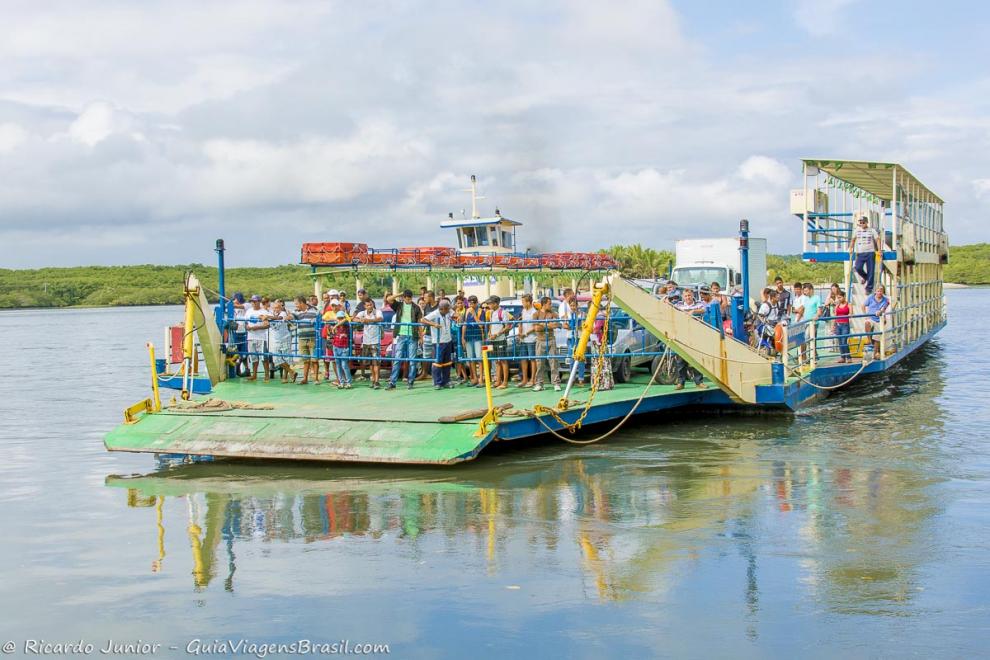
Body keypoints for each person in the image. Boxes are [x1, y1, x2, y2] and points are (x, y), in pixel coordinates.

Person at [387, 290, 423, 390]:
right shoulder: (398, 305)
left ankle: (410, 381)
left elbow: (419, 322)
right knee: (397, 359)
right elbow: (389, 299)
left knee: (412, 360)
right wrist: (399, 294)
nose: (408, 299)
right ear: (403, 297)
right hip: (401, 334)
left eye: (410, 298)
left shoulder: (416, 307)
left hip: (413, 335)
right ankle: (392, 382)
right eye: (406, 297)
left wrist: (421, 336)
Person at [673, 291, 707, 390]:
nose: (688, 297)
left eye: (689, 296)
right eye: (686, 296)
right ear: (683, 297)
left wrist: (693, 311)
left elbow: (704, 309)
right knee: (680, 360)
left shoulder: (699, 304)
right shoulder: (678, 305)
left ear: (692, 296)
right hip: (682, 334)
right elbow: (672, 310)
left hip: (696, 334)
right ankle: (681, 383)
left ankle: (699, 382)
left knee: (696, 359)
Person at [423, 299, 455, 389]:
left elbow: (455, 314)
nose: (449, 310)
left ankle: (446, 381)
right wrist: (433, 324)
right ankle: (437, 382)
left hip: (448, 340)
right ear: (443, 309)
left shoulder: (449, 311)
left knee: (447, 362)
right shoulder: (435, 313)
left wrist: (457, 316)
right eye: (447, 308)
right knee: (438, 362)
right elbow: (423, 320)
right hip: (438, 342)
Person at [533, 296, 561, 391]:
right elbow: (536, 328)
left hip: (551, 340)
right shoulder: (536, 314)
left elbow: (557, 324)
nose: (551, 305)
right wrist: (549, 325)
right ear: (544, 304)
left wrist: (542, 325)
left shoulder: (553, 313)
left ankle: (556, 383)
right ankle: (539, 384)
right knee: (540, 363)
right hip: (540, 340)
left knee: (554, 363)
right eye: (549, 303)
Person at [485, 296, 513, 388]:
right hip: (493, 340)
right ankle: (498, 381)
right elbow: (491, 325)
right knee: (497, 361)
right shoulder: (492, 313)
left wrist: (496, 334)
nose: (488, 305)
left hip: (501, 340)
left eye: (490, 303)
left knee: (503, 361)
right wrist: (490, 333)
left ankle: (505, 382)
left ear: (496, 303)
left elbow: (507, 326)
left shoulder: (503, 312)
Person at [355, 299, 383, 389]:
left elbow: (380, 318)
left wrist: (368, 320)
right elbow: (353, 318)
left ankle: (377, 381)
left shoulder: (377, 312)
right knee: (370, 362)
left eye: (371, 305)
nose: (370, 306)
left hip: (375, 340)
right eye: (368, 305)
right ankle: (373, 380)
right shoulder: (362, 313)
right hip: (366, 341)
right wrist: (360, 320)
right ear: (365, 306)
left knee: (376, 362)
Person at [292, 295, 320, 384]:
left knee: (314, 359)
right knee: (305, 359)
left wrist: (315, 320)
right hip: (302, 338)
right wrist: (287, 317)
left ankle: (316, 378)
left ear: (301, 303)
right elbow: (291, 317)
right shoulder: (296, 312)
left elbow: (320, 318)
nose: (295, 305)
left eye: (296, 304)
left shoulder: (314, 310)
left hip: (313, 337)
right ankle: (305, 378)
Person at [243, 295, 271, 381]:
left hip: (261, 337)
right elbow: (245, 322)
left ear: (259, 302)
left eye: (255, 301)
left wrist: (256, 328)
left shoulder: (263, 312)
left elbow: (267, 325)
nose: (253, 303)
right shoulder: (248, 311)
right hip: (251, 337)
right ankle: (254, 374)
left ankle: (267, 374)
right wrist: (247, 327)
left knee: (263, 357)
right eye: (252, 301)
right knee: (253, 357)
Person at [852, 212, 881, 294]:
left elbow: (877, 239)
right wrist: (851, 248)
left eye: (863, 222)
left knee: (871, 270)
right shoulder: (856, 231)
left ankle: (869, 288)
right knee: (858, 267)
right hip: (860, 252)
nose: (862, 224)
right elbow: (853, 239)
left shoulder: (872, 230)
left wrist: (879, 250)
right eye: (860, 222)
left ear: (866, 222)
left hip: (870, 252)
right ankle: (865, 277)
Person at [461, 295, 485, 386]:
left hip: (478, 337)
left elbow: (481, 325)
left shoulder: (480, 311)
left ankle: (481, 379)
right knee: (471, 359)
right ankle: (474, 378)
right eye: (470, 302)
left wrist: (474, 315)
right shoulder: (466, 311)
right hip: (468, 337)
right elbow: (464, 324)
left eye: (473, 302)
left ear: (476, 302)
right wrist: (463, 337)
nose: (471, 304)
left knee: (479, 358)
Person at [517, 294, 538, 388]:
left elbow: (535, 326)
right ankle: (524, 379)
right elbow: (521, 323)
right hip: (523, 340)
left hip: (532, 339)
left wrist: (526, 334)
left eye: (523, 302)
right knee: (523, 359)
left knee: (533, 360)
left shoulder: (534, 312)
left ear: (529, 302)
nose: (522, 304)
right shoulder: (523, 311)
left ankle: (533, 379)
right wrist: (520, 332)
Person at [864, 285, 890, 355]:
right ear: (875, 291)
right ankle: (869, 340)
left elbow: (883, 308)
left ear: (883, 292)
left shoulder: (885, 300)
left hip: (879, 319)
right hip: (871, 318)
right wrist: (866, 315)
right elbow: (863, 305)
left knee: (877, 336)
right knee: (867, 323)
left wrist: (880, 312)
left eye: (881, 291)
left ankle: (875, 353)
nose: (879, 292)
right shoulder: (870, 297)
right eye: (878, 291)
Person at [565, 298, 585, 385]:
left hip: (580, 338)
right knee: (571, 358)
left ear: (577, 305)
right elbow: (564, 325)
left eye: (574, 305)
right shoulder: (568, 315)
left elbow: (584, 326)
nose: (573, 307)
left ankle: (581, 378)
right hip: (570, 338)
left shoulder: (582, 314)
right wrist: (570, 327)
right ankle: (572, 379)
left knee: (580, 359)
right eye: (571, 305)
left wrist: (577, 327)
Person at [330, 310, 352, 388]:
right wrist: (334, 326)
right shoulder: (336, 324)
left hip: (344, 348)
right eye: (338, 318)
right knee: (338, 365)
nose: (339, 319)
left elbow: (346, 319)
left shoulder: (346, 324)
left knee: (344, 365)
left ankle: (348, 382)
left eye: (340, 318)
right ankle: (341, 382)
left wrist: (336, 326)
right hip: (336, 346)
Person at [419, 291, 438, 380]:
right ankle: (424, 373)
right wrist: (422, 334)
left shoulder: (439, 306)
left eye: (426, 297)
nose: (424, 299)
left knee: (437, 356)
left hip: (438, 335)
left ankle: (437, 375)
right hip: (427, 334)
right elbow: (424, 319)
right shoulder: (426, 306)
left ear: (431, 297)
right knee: (425, 355)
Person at [833, 290, 852, 363]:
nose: (839, 299)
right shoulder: (837, 305)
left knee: (844, 341)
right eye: (838, 298)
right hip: (838, 324)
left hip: (845, 324)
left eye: (840, 297)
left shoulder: (848, 304)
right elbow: (835, 315)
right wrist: (833, 326)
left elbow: (851, 313)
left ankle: (848, 357)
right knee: (840, 341)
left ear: (844, 297)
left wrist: (849, 316)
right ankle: (842, 357)